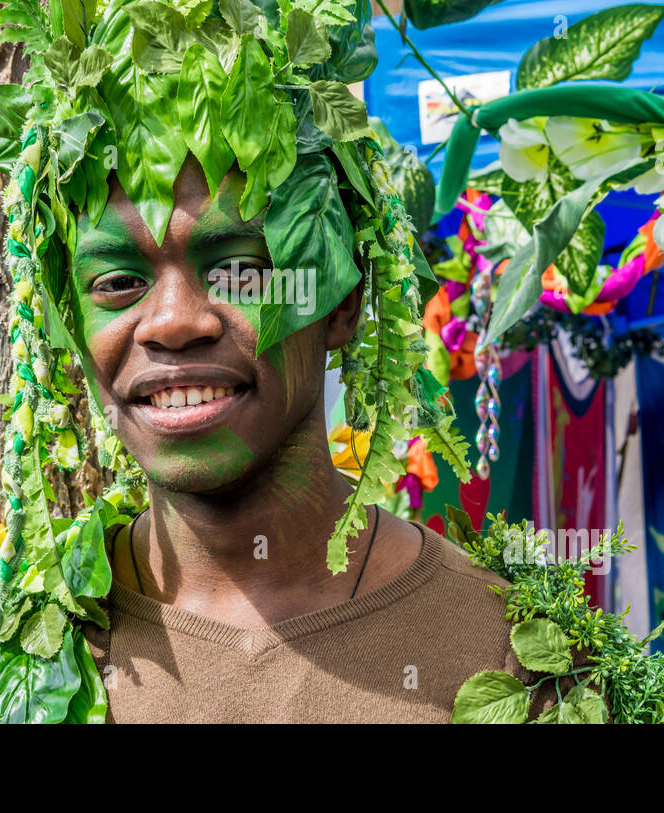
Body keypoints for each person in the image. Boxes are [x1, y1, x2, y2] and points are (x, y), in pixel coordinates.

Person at [72, 162, 548, 722]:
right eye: (117, 282)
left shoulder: (514, 661)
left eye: (240, 271)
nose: (173, 322)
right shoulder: (9, 658)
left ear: (339, 303)